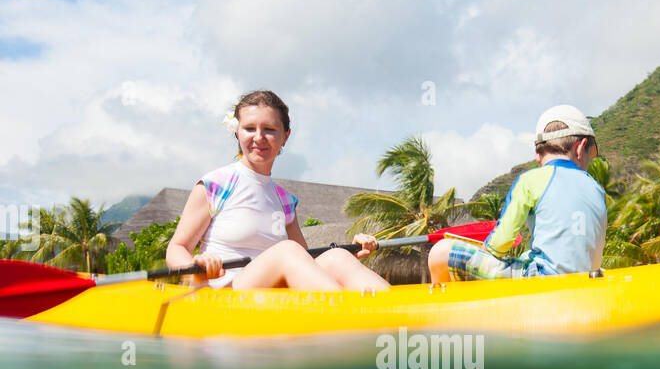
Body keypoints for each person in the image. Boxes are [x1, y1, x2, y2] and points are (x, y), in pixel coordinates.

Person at [166, 90, 389, 290]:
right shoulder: (215, 184)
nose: (259, 137)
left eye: (269, 129)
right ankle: (346, 316)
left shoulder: (285, 201)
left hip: (272, 295)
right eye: (249, 128)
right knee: (286, 251)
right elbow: (177, 247)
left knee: (337, 257)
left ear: (285, 136)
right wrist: (194, 265)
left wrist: (351, 252)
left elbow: (306, 260)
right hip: (225, 292)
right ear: (237, 132)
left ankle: (390, 316)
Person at [428, 105, 607, 283]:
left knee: (440, 252)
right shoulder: (597, 188)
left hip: (541, 279)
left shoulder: (530, 180)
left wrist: (484, 252)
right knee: (526, 254)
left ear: (538, 155)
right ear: (581, 147)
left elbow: (502, 242)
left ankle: (443, 304)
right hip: (586, 281)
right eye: (591, 153)